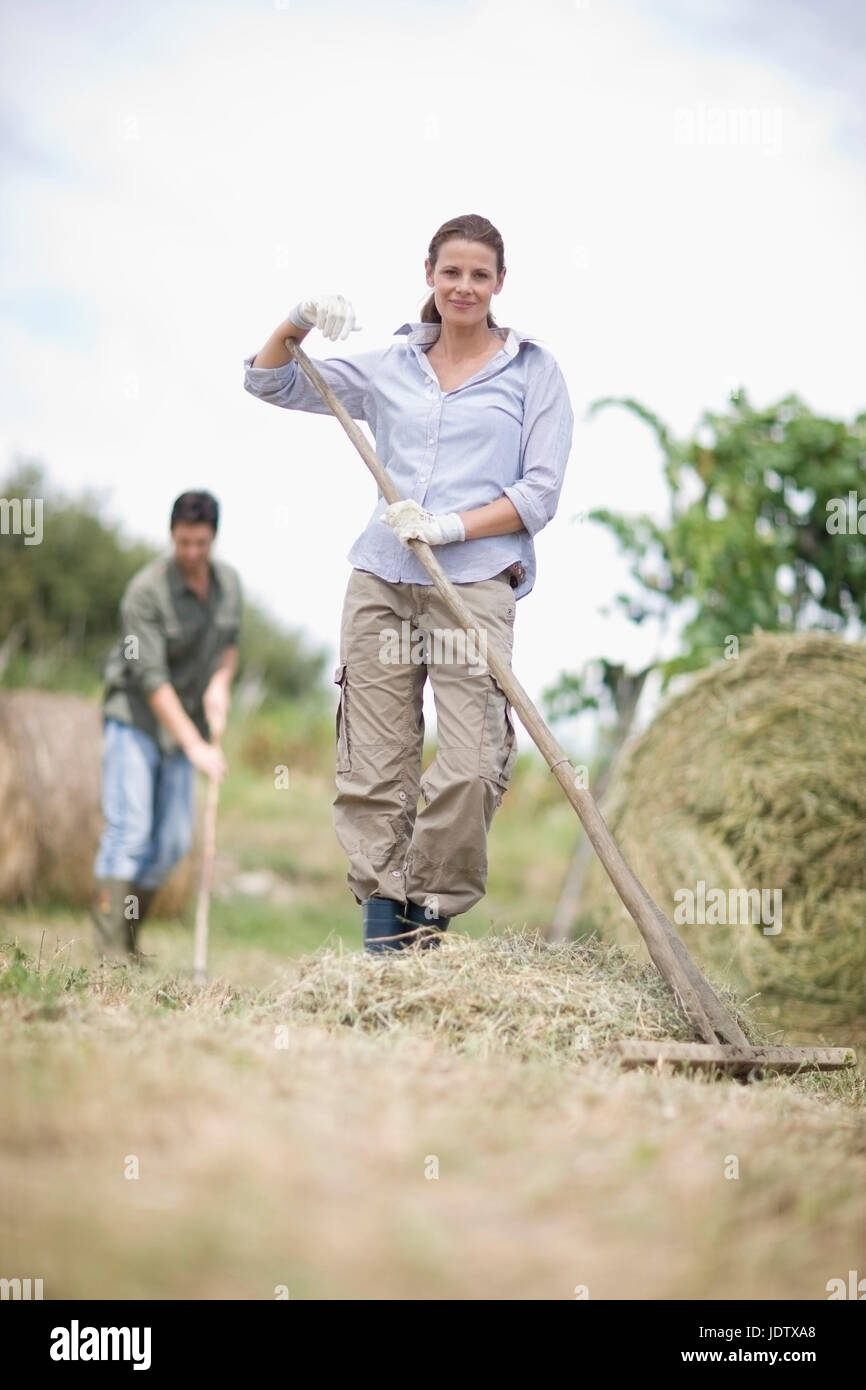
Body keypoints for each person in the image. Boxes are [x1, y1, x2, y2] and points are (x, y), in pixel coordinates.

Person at [243, 213, 573, 952]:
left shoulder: (532, 372)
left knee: (469, 762)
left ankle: (431, 913)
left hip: (475, 581)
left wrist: (452, 526)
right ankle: (385, 938)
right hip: (383, 579)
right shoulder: (391, 364)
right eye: (450, 271)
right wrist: (296, 319)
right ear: (429, 274)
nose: (463, 286)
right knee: (373, 762)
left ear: (499, 284)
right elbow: (268, 379)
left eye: (478, 275)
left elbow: (540, 493)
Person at [92, 490, 241, 958]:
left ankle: (130, 940)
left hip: (187, 727)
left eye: (200, 543)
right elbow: (151, 679)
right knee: (130, 831)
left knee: (172, 843)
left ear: (213, 538)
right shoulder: (145, 592)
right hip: (136, 719)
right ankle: (107, 952)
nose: (192, 553)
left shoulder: (229, 583)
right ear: (171, 536)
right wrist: (197, 746)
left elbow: (229, 644)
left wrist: (221, 681)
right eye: (183, 543)